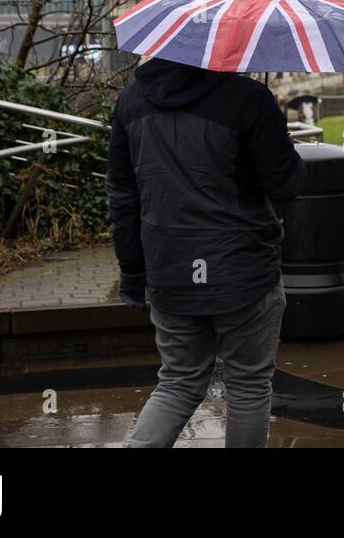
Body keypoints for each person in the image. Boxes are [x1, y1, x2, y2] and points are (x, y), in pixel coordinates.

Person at [106, 57, 305, 447]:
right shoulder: (248, 98)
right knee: (248, 386)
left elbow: (122, 197)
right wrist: (273, 126)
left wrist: (132, 271)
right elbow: (286, 186)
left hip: (169, 268)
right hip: (243, 269)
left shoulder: (131, 102)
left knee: (177, 382)